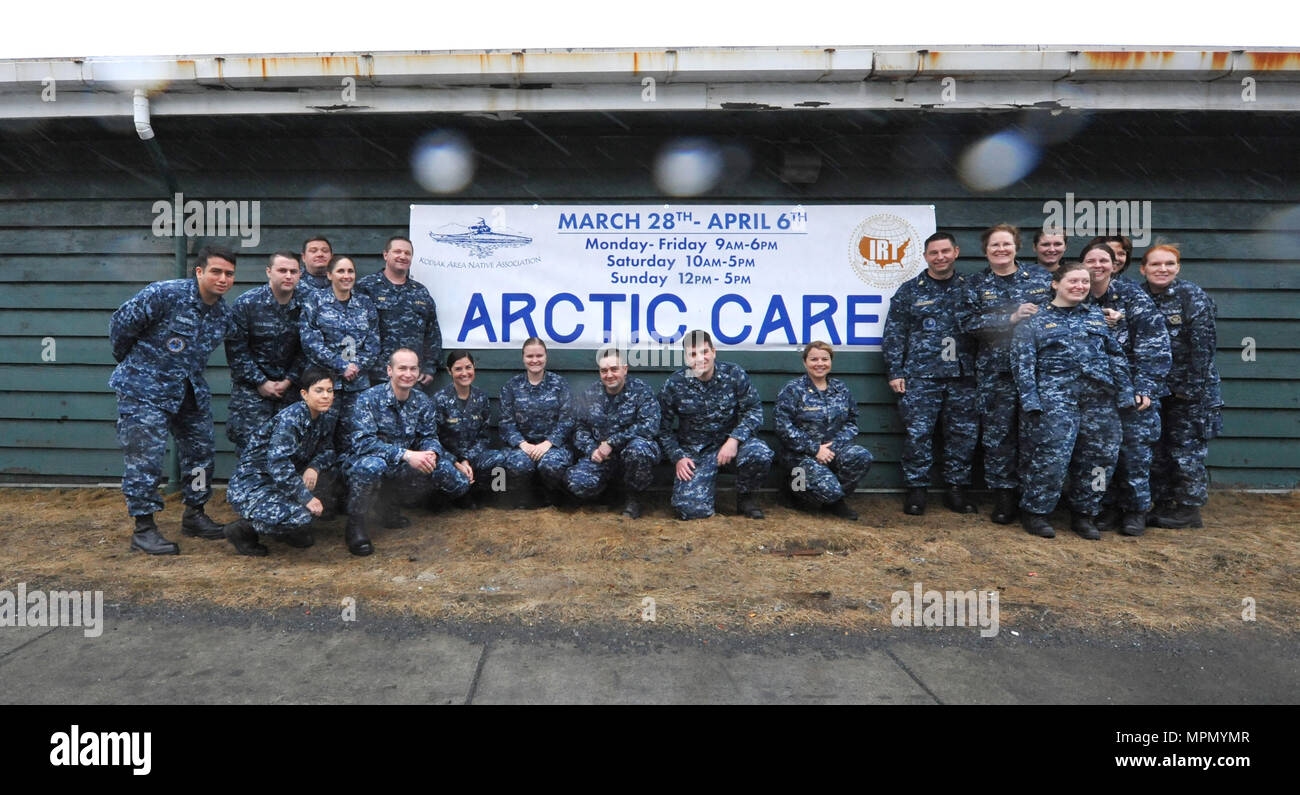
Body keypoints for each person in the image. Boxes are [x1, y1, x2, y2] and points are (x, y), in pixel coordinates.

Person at [109, 246, 236, 555]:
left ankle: (195, 515)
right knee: (145, 459)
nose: (222, 279)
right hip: (145, 389)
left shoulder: (222, 313)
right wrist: (139, 367)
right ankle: (144, 528)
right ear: (199, 271)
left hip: (189, 391)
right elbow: (120, 327)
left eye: (229, 274)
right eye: (216, 271)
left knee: (201, 454)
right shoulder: (165, 294)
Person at [1011, 261, 1137, 539]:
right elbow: (1023, 365)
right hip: (1055, 400)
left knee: (1099, 459)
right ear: (1056, 284)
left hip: (1099, 402)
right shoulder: (1034, 320)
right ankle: (1036, 512)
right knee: (1051, 458)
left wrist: (1125, 392)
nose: (1080, 287)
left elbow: (1115, 356)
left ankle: (1085, 513)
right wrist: (1031, 401)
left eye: (1085, 282)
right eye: (1073, 281)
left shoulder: (1096, 317)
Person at [961, 223, 1054, 524]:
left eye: (1006, 244)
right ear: (985, 251)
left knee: (1033, 437)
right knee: (998, 438)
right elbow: (967, 324)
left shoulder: (1041, 278)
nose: (1001, 250)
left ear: (1017, 247)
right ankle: (1004, 499)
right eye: (994, 246)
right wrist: (1010, 318)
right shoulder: (974, 285)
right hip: (994, 374)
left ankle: (1032, 500)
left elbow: (1059, 314)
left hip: (1036, 373)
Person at [881, 231, 979, 515]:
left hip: (963, 376)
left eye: (945, 251)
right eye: (934, 253)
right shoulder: (910, 291)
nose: (940, 257)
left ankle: (956, 490)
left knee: (962, 435)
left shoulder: (971, 288)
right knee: (918, 435)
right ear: (925, 257)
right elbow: (894, 335)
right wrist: (895, 371)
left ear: (956, 252)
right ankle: (916, 490)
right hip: (920, 376)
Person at [340, 349, 470, 556]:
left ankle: (389, 507)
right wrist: (407, 455)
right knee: (373, 465)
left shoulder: (422, 401)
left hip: (402, 466)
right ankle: (356, 525)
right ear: (389, 371)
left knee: (457, 480)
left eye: (413, 369)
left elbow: (429, 437)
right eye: (402, 368)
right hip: (368, 464)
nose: (408, 374)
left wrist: (432, 454)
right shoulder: (368, 399)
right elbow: (364, 444)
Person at [1081, 242, 1171, 536]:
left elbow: (1155, 346)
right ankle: (1105, 508)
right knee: (1099, 455)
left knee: (1135, 453)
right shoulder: (1075, 295)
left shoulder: (1132, 296)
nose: (1097, 265)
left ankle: (1134, 511)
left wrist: (1145, 386)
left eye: (1103, 260)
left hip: (1132, 390)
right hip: (1093, 392)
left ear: (1113, 264)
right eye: (1091, 260)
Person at [1141, 244, 1223, 529]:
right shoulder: (1140, 296)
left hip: (1189, 391)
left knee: (1185, 450)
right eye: (1155, 264)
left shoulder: (1192, 296)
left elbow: (1204, 348)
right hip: (1158, 390)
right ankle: (1164, 504)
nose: (1162, 269)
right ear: (1144, 269)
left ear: (1178, 268)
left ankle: (1188, 509)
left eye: (1169, 264)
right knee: (1158, 449)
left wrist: (1191, 389)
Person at [658, 329, 773, 520]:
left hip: (733, 447)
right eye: (693, 354)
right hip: (696, 452)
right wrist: (678, 457)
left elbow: (754, 411)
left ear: (714, 352)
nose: (700, 359)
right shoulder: (675, 383)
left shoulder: (734, 374)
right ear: (686, 358)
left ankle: (746, 497)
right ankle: (701, 497)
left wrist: (734, 440)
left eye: (704, 352)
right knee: (692, 511)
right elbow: (662, 427)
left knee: (759, 453)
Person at [223, 367, 338, 556]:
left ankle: (287, 528)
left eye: (329, 391)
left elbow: (329, 451)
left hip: (280, 482)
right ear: (304, 394)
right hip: (254, 483)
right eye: (319, 390)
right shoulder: (291, 419)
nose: (326, 396)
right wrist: (305, 497)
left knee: (328, 484)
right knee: (301, 515)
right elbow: (278, 465)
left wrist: (314, 468)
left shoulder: (323, 416)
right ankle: (244, 530)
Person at [774, 341, 872, 520]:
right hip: (800, 455)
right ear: (805, 363)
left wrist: (832, 448)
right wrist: (815, 449)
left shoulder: (840, 389)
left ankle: (834, 499)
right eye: (814, 359)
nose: (820, 363)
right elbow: (783, 427)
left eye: (824, 359)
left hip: (832, 452)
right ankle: (794, 490)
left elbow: (852, 423)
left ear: (831, 361)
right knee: (826, 490)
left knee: (861, 456)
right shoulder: (793, 390)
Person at [565, 347, 662, 518]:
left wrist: (612, 442)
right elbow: (579, 427)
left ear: (625, 369)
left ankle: (635, 499)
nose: (609, 375)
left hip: (630, 456)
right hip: (601, 458)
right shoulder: (590, 393)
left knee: (639, 449)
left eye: (614, 369)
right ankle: (606, 495)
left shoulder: (641, 391)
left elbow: (649, 426)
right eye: (604, 370)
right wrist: (592, 450)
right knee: (576, 482)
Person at [224, 251, 305, 453]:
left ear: (300, 274)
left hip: (291, 390)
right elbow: (236, 350)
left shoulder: (309, 304)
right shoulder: (247, 303)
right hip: (252, 392)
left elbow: (308, 349)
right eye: (282, 270)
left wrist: (288, 381)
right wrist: (260, 381)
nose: (288, 276)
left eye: (293, 271)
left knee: (288, 450)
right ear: (269, 272)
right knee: (251, 452)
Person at [298, 254, 380, 444]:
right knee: (319, 437)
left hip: (357, 385)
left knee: (355, 438)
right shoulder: (315, 301)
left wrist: (356, 366)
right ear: (329, 275)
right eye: (340, 271)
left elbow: (373, 343)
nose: (346, 276)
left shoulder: (365, 304)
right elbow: (310, 341)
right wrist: (341, 366)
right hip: (323, 383)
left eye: (350, 271)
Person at [356, 235, 442, 390]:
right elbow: (354, 330)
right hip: (375, 377)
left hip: (411, 377)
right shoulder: (366, 287)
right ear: (385, 255)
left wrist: (429, 368)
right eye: (397, 251)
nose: (402, 256)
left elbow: (432, 333)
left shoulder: (420, 292)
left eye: (407, 253)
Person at [499, 338, 576, 506]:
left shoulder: (559, 384)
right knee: (519, 464)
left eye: (539, 355)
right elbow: (506, 422)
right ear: (523, 358)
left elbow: (567, 420)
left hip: (553, 446)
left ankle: (552, 495)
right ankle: (523, 496)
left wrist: (548, 443)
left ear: (546, 357)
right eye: (530, 356)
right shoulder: (511, 386)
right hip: (522, 446)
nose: (535, 360)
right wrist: (522, 444)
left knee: (551, 464)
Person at [432, 350, 506, 510]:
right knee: (443, 471)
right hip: (449, 460)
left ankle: (495, 496)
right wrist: (456, 462)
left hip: (473, 456)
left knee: (499, 459)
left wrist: (467, 459)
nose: (464, 373)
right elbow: (433, 440)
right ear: (449, 371)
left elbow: (484, 437)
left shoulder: (481, 397)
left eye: (468, 367)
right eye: (458, 369)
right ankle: (455, 495)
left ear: (474, 368)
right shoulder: (440, 400)